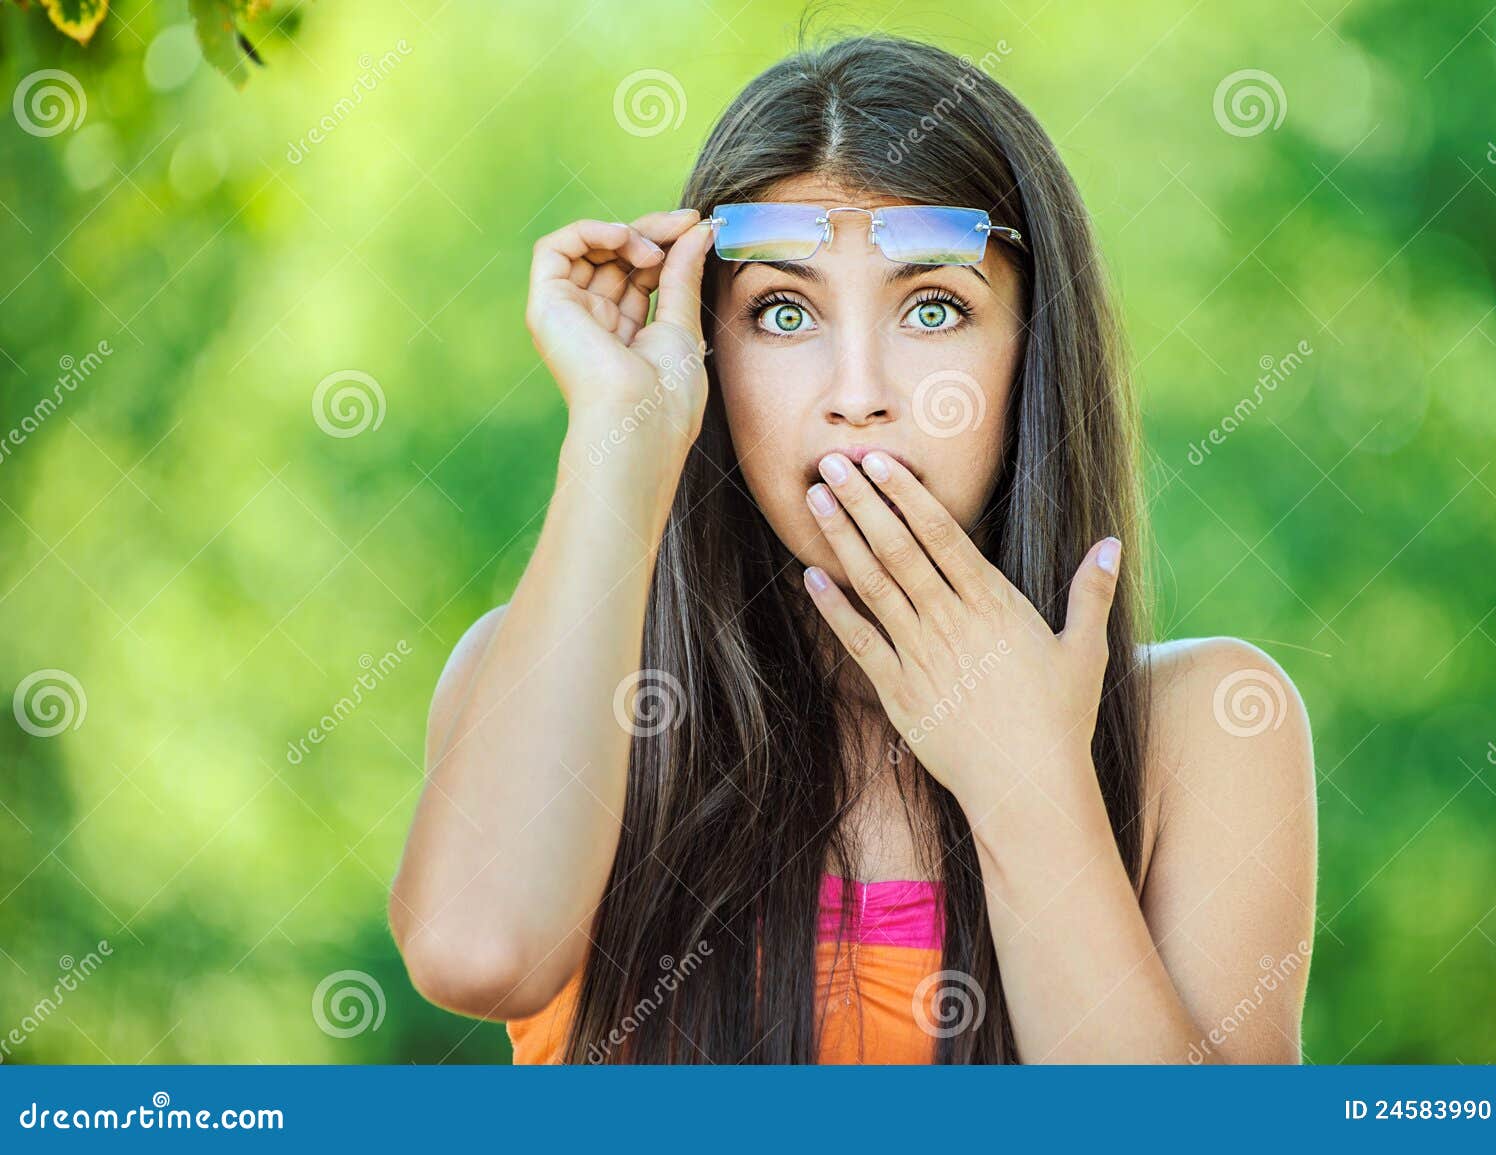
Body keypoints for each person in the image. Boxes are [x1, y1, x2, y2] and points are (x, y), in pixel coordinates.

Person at [389, 31, 1316, 1064]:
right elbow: (476, 956)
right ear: (706, 351)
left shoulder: (1207, 728)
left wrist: (1025, 777)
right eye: (783, 313)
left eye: (934, 308)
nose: (858, 393)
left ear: (1032, 355)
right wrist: (619, 442)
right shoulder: (548, 687)